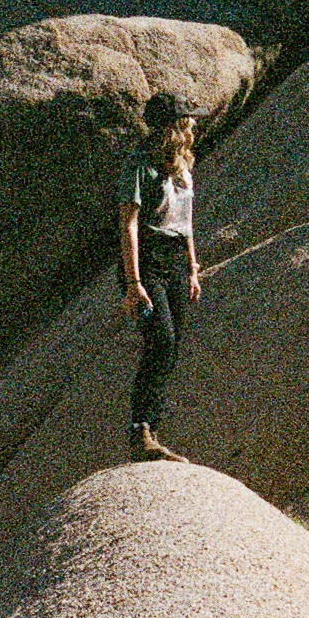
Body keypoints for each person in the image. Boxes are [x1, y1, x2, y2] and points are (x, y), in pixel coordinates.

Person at [118, 92, 204, 463]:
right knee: (161, 341)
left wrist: (192, 269)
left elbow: (185, 224)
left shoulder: (183, 167)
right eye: (189, 119)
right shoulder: (140, 166)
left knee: (173, 347)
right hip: (148, 261)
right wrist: (133, 282)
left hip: (174, 263)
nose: (194, 125)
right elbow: (129, 224)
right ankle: (141, 432)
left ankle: (153, 428)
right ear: (175, 126)